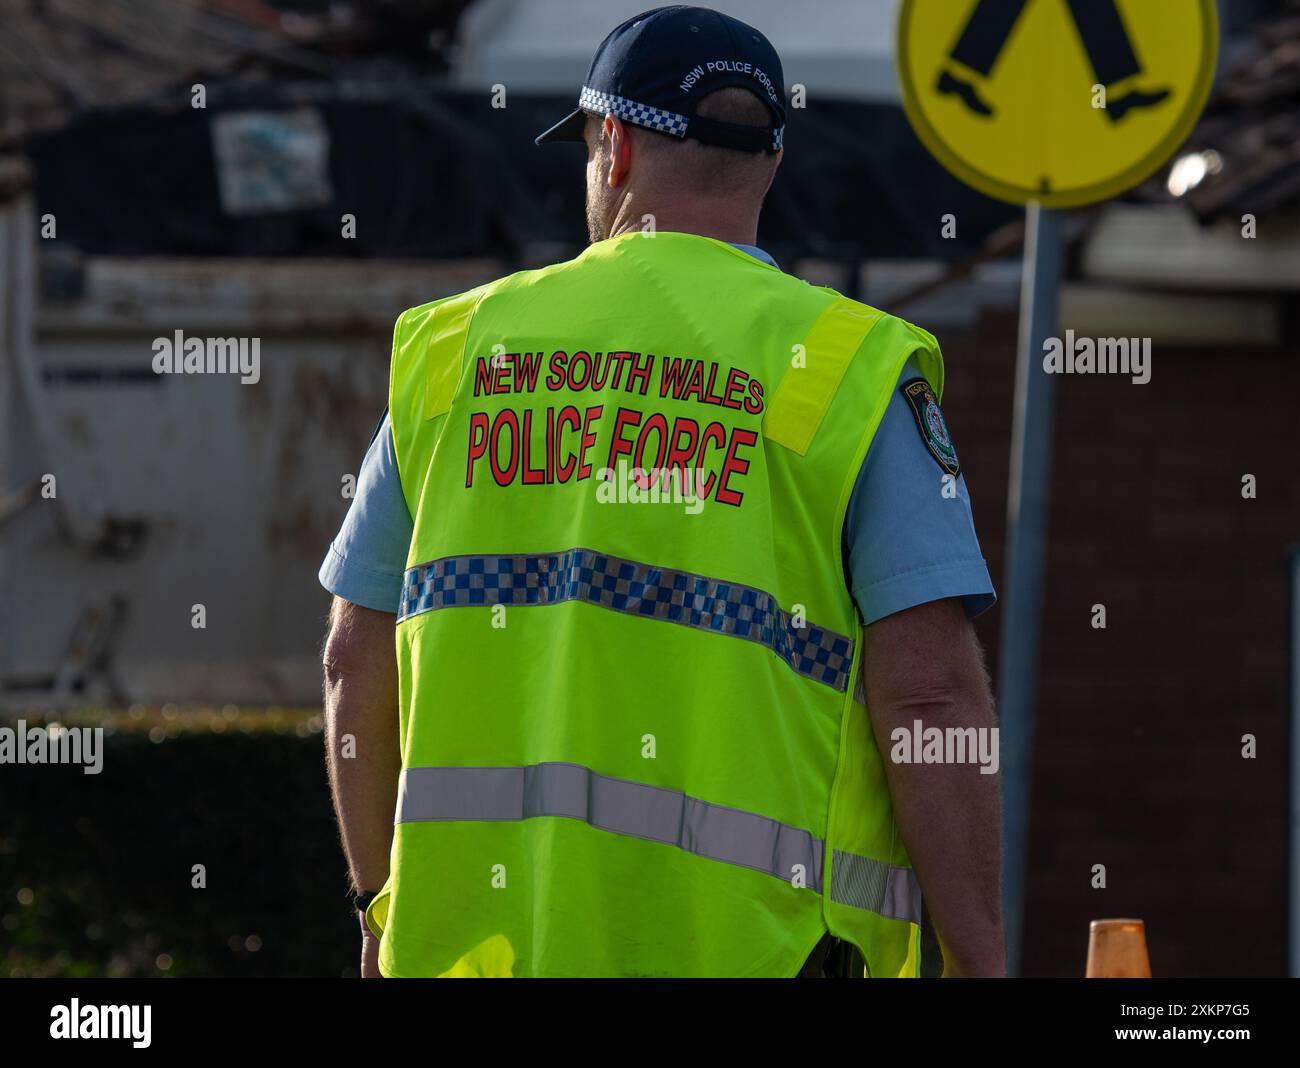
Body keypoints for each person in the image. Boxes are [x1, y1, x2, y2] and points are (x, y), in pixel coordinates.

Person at [321, 4, 1003, 978]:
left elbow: (356, 653)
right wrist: (979, 955)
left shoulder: (457, 351)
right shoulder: (847, 369)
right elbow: (929, 695)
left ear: (619, 145)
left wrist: (375, 908)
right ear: (767, 163)